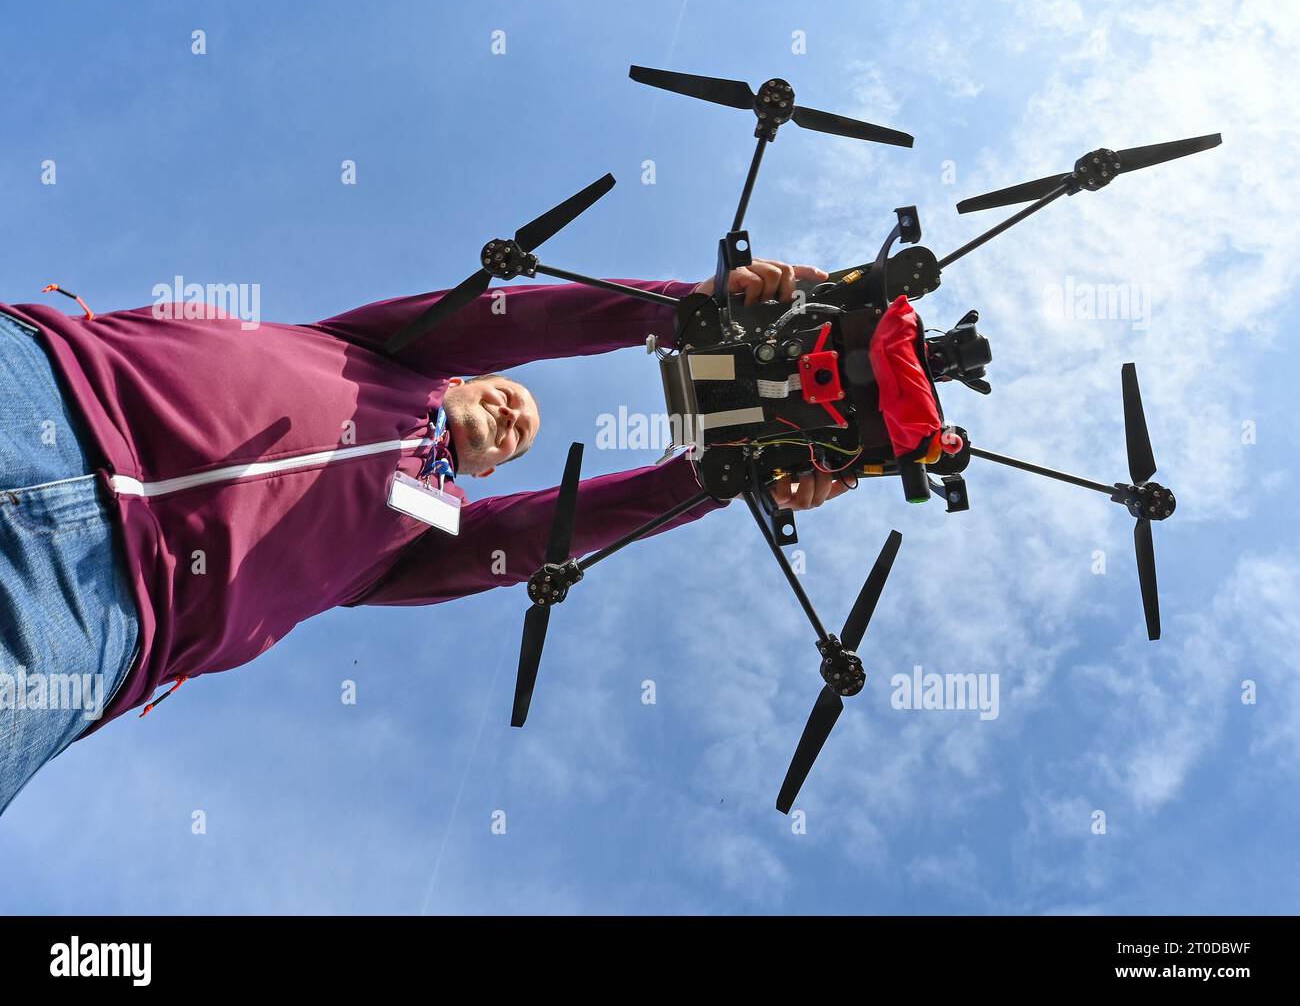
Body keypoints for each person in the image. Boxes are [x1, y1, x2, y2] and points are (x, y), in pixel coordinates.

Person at [0, 257, 845, 816]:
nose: (515, 418)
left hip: (94, 616)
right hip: (51, 394)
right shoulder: (387, 355)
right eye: (512, 399)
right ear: (468, 377)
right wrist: (678, 309)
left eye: (520, 440)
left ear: (484, 476)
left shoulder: (416, 530)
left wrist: (704, 479)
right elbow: (518, 320)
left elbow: (538, 534)